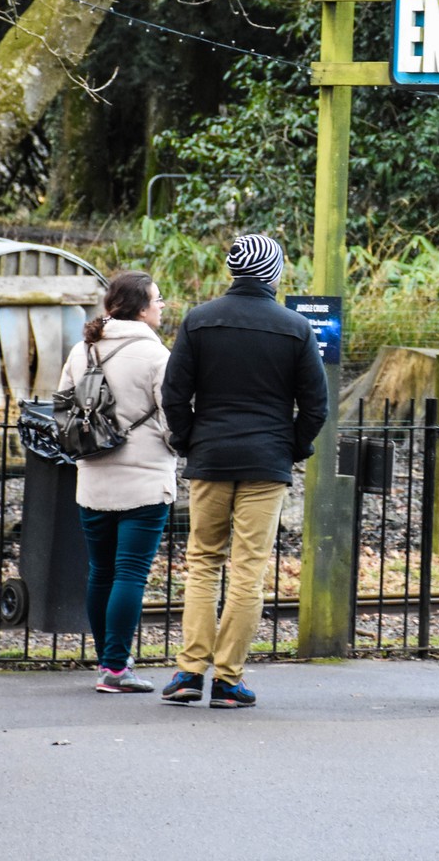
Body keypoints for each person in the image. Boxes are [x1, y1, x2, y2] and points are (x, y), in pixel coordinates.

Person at [159, 234, 328, 708]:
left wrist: (189, 439)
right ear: (272, 274)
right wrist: (290, 447)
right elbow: (316, 406)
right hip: (266, 463)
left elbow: (174, 394)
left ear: (233, 272)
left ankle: (190, 671)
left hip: (210, 458)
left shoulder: (199, 320)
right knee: (248, 569)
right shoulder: (295, 328)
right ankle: (229, 680)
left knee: (203, 562)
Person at [58, 271, 175, 694]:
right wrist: (169, 443)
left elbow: (63, 407)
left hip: (92, 477)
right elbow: (174, 416)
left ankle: (110, 661)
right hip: (144, 480)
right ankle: (115, 669)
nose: (162, 306)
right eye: (158, 300)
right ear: (141, 308)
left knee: (101, 571)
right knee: (131, 573)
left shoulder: (82, 349)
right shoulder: (155, 354)